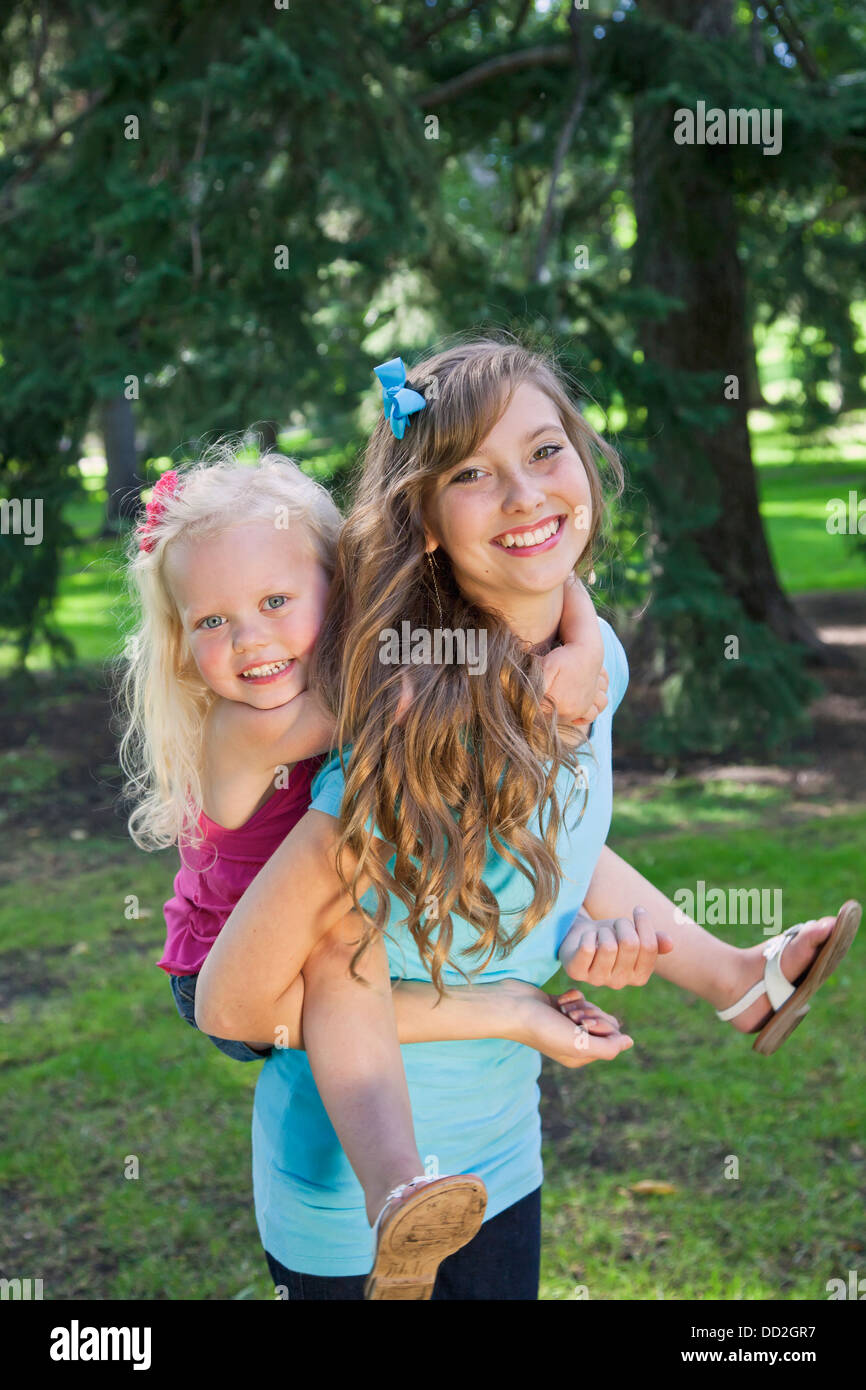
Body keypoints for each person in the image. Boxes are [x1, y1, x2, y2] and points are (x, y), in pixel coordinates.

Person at [196, 340, 859, 1300]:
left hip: (504, 1159)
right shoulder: (404, 733)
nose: (524, 493)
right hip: (355, 1205)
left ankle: (736, 981)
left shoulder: (593, 668)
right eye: (470, 472)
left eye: (546, 452)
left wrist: (616, 941)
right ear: (423, 522)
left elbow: (562, 845)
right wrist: (514, 1007)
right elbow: (237, 1009)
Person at [117, 444, 618, 1299]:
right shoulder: (251, 725)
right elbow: (408, 693)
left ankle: (733, 974)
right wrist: (559, 648)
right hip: (222, 966)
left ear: (338, 591)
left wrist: (565, 604)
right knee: (345, 950)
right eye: (212, 622)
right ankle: (396, 1187)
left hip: (308, 919)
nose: (251, 639)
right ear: (181, 641)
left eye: (277, 601)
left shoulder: (339, 667)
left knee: (583, 857)